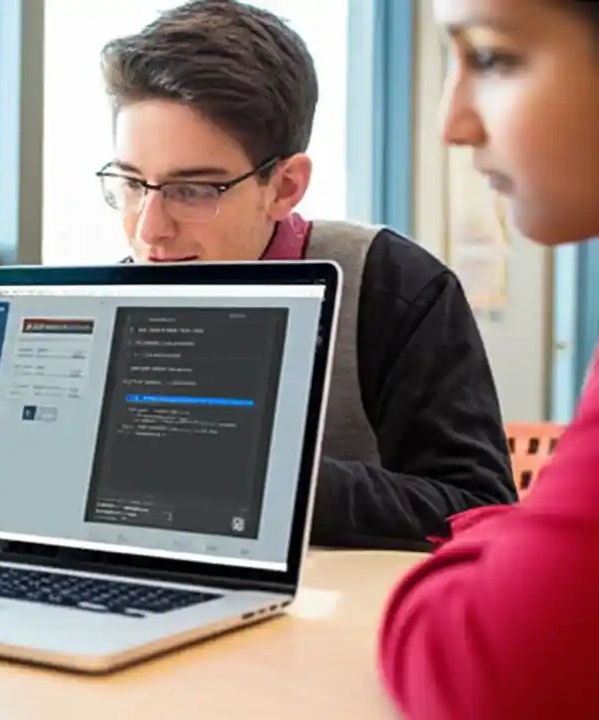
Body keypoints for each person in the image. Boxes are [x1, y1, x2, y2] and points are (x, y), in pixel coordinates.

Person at [97, 0, 515, 550]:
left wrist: (269, 480)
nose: (150, 231)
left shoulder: (394, 287)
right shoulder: (100, 306)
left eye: (193, 190)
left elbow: (478, 510)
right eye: (131, 184)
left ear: (285, 186)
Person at [379, 1, 599, 717]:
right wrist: (509, 540)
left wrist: (482, 543)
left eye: (494, 57)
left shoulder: (399, 282)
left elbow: (493, 666)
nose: (452, 123)